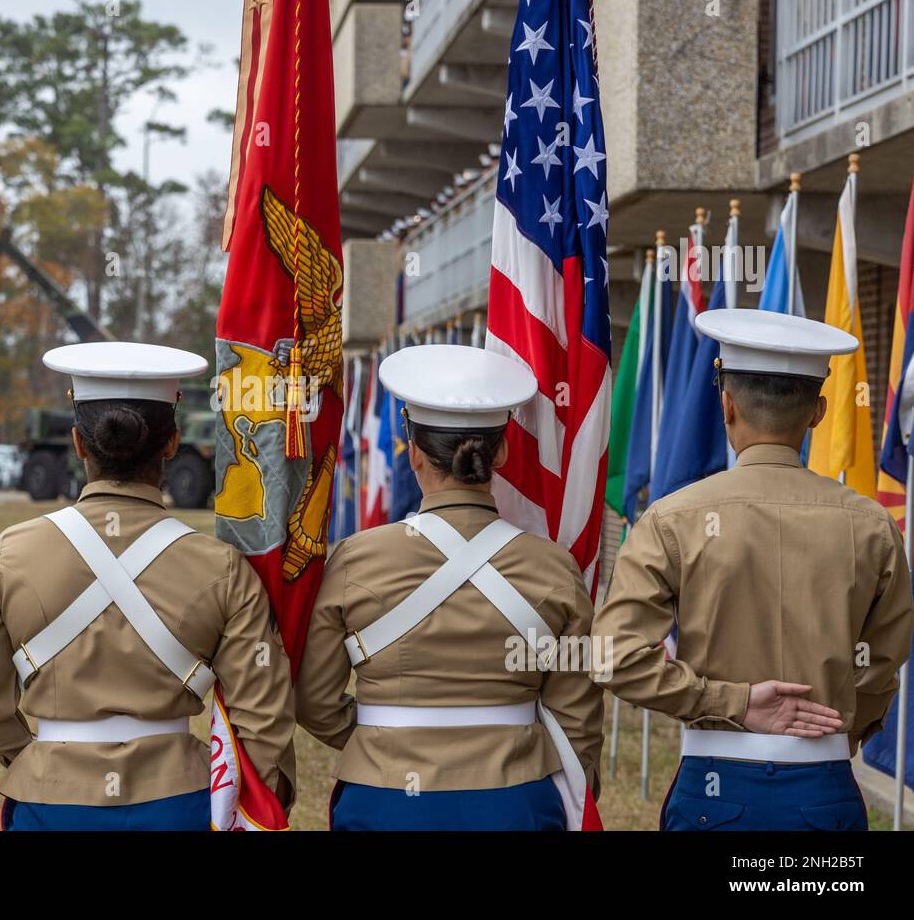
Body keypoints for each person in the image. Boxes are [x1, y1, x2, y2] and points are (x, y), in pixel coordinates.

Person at [0, 341, 296, 830]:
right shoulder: (222, 566)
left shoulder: (9, 553)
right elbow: (263, 714)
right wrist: (257, 799)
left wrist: (32, 761)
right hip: (180, 799)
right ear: (172, 443)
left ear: (77, 442)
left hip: (50, 803)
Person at [593, 308, 914, 831]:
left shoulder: (673, 518)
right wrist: (835, 731)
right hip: (824, 785)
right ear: (818, 412)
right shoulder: (873, 525)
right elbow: (883, 662)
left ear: (726, 404)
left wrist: (730, 703)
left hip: (712, 787)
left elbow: (612, 657)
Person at [296, 344, 603, 830]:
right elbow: (577, 718)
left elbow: (314, 699)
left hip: (385, 796)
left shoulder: (357, 558)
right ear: (500, 451)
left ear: (413, 452)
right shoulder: (554, 566)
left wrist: (385, 736)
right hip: (515, 798)